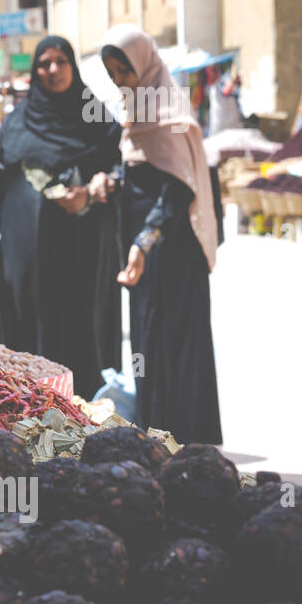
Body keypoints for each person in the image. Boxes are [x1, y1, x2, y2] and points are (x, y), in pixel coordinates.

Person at [0, 35, 122, 397]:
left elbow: (123, 172)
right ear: (35, 72)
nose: (53, 70)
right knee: (24, 342)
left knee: (77, 333)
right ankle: (22, 417)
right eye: (44, 63)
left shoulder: (96, 118)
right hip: (25, 263)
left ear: (73, 65)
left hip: (81, 256)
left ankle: (80, 416)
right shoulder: (16, 124)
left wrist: (93, 191)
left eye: (61, 62)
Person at [100, 24, 222, 445]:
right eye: (112, 73)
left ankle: (185, 436)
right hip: (146, 253)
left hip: (173, 251)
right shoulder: (136, 114)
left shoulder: (170, 114)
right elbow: (141, 173)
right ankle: (157, 433)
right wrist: (111, 182)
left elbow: (177, 187)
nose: (119, 81)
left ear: (146, 66)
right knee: (148, 341)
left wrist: (145, 240)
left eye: (124, 71)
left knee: (174, 339)